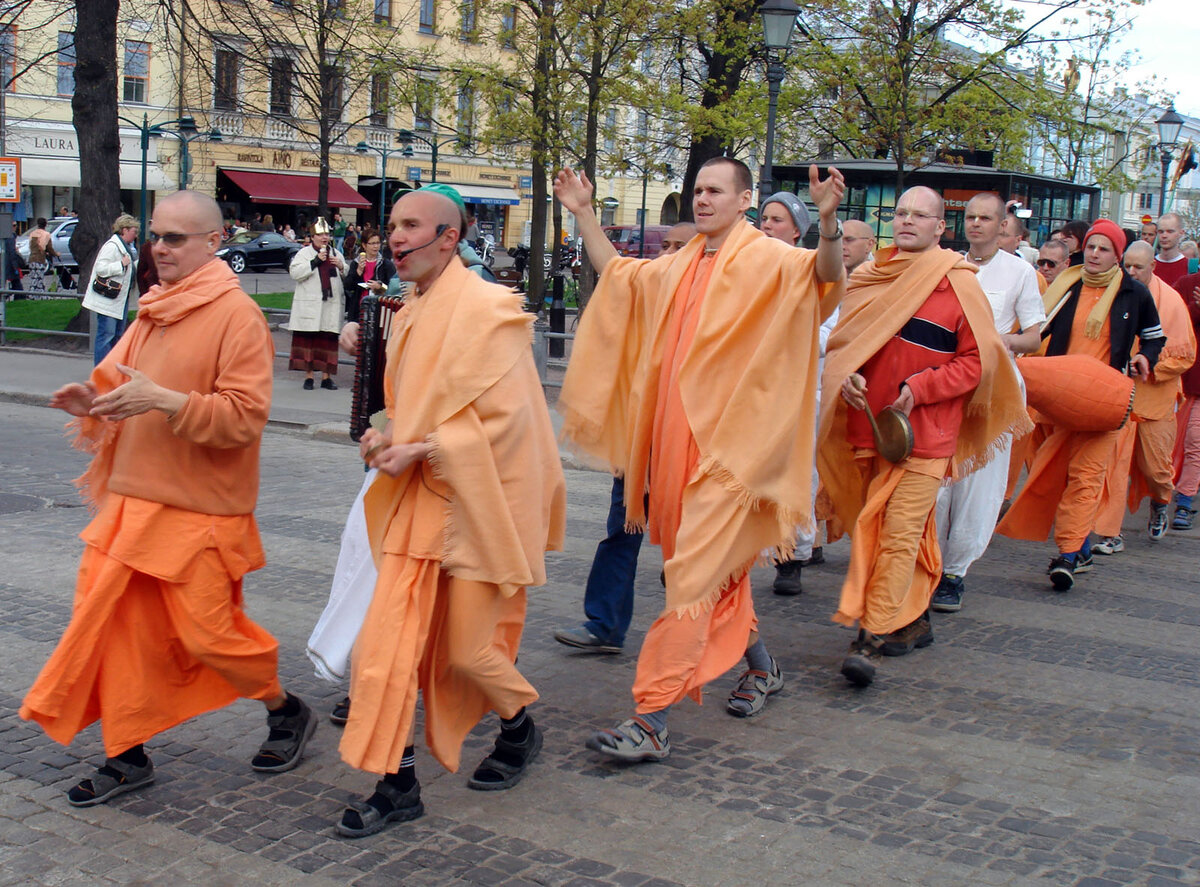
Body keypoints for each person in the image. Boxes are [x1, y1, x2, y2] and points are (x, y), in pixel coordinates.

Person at [19, 191, 316, 807]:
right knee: (108, 632)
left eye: (175, 238)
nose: (159, 247)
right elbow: (120, 387)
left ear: (213, 243)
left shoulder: (238, 316)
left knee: (211, 637)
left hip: (201, 511)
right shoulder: (154, 307)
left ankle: (286, 711)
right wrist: (90, 403)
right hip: (131, 506)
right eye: (156, 236)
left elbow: (244, 420)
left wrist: (167, 401)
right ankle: (125, 757)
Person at [555, 157, 845, 758]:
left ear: (745, 201)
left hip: (734, 459)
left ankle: (651, 718)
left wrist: (829, 221)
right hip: (674, 450)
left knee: (689, 579)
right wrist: (583, 212)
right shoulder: (681, 264)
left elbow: (824, 275)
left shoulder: (769, 257)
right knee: (721, 574)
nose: (703, 199)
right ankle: (763, 668)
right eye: (698, 191)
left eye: (716, 191)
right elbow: (619, 274)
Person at [334, 183, 565, 838]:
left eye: (411, 225)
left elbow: (511, 428)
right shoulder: (408, 309)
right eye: (392, 225)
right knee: (381, 652)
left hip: (474, 508)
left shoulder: (491, 310)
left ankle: (519, 730)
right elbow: (404, 405)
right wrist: (384, 435)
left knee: (468, 653)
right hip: (417, 509)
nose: (395, 237)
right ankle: (396, 781)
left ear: (449, 236)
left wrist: (425, 447)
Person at [818, 186, 1027, 687]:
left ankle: (871, 635)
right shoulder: (867, 277)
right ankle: (913, 619)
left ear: (940, 228)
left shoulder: (959, 283)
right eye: (901, 212)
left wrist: (920, 387)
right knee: (892, 530)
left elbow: (978, 363)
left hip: (928, 435)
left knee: (897, 532)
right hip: (869, 429)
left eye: (921, 215)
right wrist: (847, 376)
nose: (908, 220)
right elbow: (845, 347)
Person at [552, 221, 698, 655]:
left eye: (679, 246)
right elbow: (613, 267)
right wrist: (581, 209)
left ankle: (735, 647)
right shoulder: (650, 289)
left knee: (694, 548)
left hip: (692, 448)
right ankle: (605, 624)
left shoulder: (716, 299)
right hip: (642, 443)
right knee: (621, 530)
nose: (667, 253)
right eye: (664, 245)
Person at [997, 220, 1165, 590]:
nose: (1094, 254)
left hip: (1105, 401)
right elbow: (1034, 330)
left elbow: (1155, 336)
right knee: (1054, 474)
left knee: (1085, 478)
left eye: (1103, 249)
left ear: (1117, 256)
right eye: (1090, 247)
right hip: (1059, 399)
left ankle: (1069, 555)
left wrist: (1144, 358)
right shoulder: (1066, 287)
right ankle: (1083, 544)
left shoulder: (1134, 293)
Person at [931, 193, 1044, 613]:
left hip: (994, 386)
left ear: (1002, 226)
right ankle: (930, 563)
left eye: (985, 218)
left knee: (978, 482)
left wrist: (999, 342)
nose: (976, 224)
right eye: (970, 217)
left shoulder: (1019, 273)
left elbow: (1033, 336)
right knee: (938, 474)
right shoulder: (946, 266)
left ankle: (956, 573)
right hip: (947, 384)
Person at [753, 191, 833, 596]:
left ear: (798, 230)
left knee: (798, 473)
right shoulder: (747, 268)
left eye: (778, 220)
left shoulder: (812, 269)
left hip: (802, 391)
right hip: (753, 391)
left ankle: (792, 556)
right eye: (764, 217)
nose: (767, 225)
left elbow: (828, 331)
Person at [1093, 240, 1196, 553]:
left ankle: (1160, 501)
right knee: (1111, 467)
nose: (1132, 272)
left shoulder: (1173, 302)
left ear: (1154, 266)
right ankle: (1109, 532)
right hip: (1117, 397)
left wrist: (1149, 365)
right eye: (1128, 266)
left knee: (1155, 469)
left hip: (1155, 400)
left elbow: (1185, 356)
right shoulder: (1113, 293)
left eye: (1139, 267)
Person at [289, 218, 346, 390]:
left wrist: (342, 266)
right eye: (320, 234)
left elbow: (346, 275)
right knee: (309, 341)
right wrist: (315, 262)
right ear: (313, 237)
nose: (324, 237)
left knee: (327, 341)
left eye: (327, 234)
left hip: (330, 304)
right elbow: (295, 273)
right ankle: (309, 377)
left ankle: (326, 377)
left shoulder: (336, 253)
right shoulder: (304, 254)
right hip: (311, 304)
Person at [82, 214, 141, 365]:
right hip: (108, 299)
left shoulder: (124, 247)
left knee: (115, 335)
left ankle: (110, 369)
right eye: (134, 231)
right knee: (107, 335)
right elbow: (101, 269)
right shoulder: (112, 247)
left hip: (117, 299)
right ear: (124, 230)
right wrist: (121, 264)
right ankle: (101, 369)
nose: (136, 235)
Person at [1170, 265, 1200, 528]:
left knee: (1194, 443)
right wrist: (1196, 307)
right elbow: (1174, 325)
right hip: (1183, 380)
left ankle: (1186, 500)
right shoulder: (1186, 284)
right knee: (1177, 442)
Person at [342, 227, 395, 324]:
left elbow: (394, 289)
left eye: (378, 243)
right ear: (364, 245)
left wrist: (380, 287)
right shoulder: (356, 263)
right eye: (372, 243)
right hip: (358, 310)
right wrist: (358, 272)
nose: (376, 246)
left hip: (378, 310)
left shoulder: (385, 264)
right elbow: (348, 286)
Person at [1153, 213, 1190, 287]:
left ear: (1181, 233)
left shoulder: (1191, 267)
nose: (1164, 236)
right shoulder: (1148, 265)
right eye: (1161, 232)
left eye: (1170, 231)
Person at [26, 218, 55, 294]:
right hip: (40, 259)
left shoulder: (32, 233)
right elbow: (49, 248)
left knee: (33, 278)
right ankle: (38, 295)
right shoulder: (46, 234)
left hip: (32, 258)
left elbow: (33, 245)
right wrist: (55, 254)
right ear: (45, 225)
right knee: (39, 278)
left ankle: (32, 294)